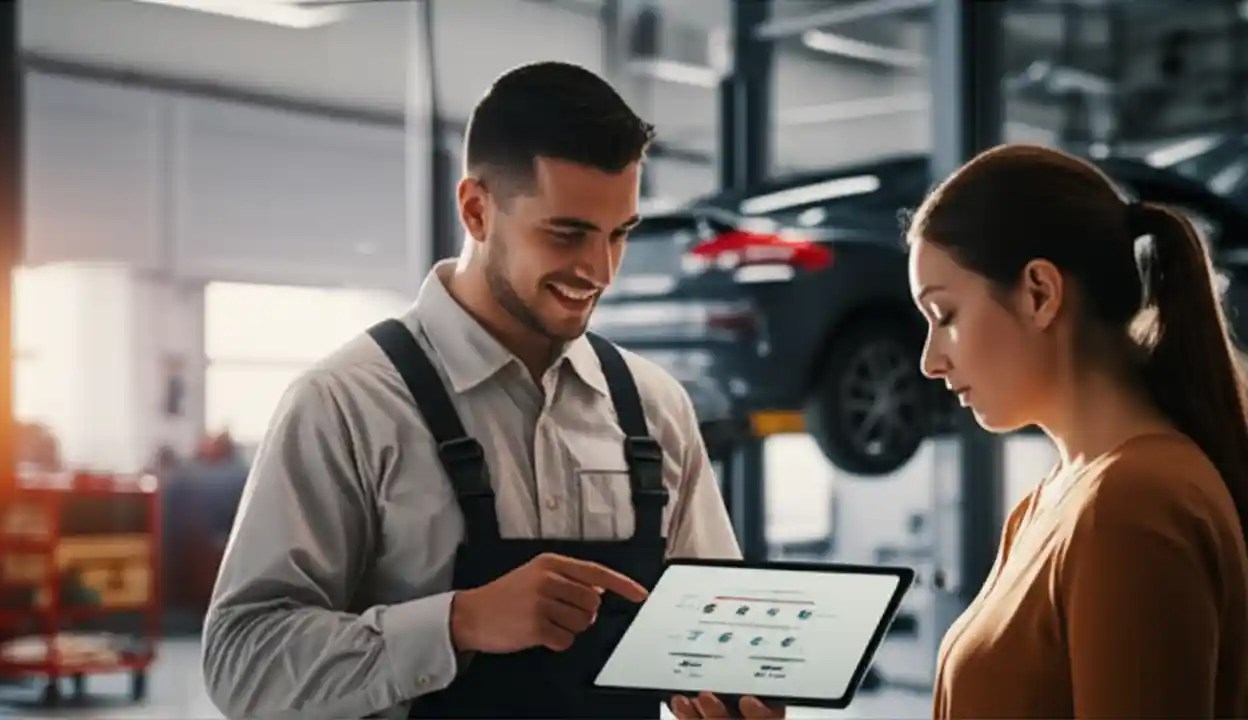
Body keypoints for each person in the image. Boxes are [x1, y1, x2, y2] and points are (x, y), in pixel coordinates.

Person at [201, 61, 741, 720]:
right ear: (477, 210)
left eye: (619, 234)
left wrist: (737, 696)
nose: (599, 270)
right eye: (567, 233)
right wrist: (459, 623)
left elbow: (716, 639)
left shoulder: (656, 408)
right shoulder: (346, 404)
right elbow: (241, 661)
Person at [671, 144, 1248, 719]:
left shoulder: (1133, 504)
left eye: (944, 316)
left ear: (1040, 293)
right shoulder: (1051, 502)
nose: (929, 361)